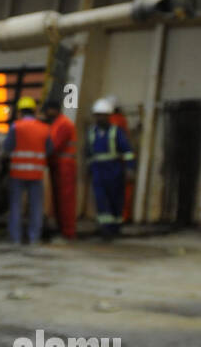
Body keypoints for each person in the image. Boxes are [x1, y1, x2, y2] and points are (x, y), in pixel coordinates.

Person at [3, 96, 52, 245]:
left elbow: (7, 147)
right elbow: (50, 149)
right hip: (36, 173)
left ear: (20, 112)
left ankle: (16, 238)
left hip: (17, 173)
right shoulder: (45, 128)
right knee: (36, 207)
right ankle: (34, 237)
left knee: (16, 207)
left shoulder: (16, 127)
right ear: (35, 111)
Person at [86, 97, 134, 239]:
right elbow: (88, 152)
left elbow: (128, 152)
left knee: (115, 199)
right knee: (101, 199)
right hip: (98, 171)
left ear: (108, 116)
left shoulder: (116, 131)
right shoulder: (91, 132)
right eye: (97, 115)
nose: (99, 118)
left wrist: (130, 169)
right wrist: (89, 168)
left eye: (102, 115)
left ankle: (115, 227)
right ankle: (105, 228)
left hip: (114, 170)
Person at [42, 100, 76, 241]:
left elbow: (54, 145)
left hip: (64, 165)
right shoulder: (58, 123)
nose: (45, 114)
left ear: (54, 110)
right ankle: (62, 229)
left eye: (47, 111)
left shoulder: (63, 124)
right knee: (58, 200)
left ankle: (68, 232)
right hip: (58, 165)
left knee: (65, 200)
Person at [107, 96, 135, 223]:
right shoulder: (121, 120)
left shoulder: (113, 121)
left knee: (114, 191)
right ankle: (122, 216)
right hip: (118, 162)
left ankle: (117, 217)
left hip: (114, 163)